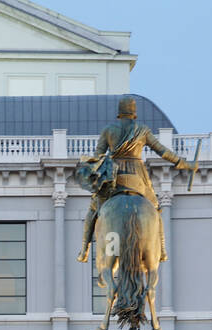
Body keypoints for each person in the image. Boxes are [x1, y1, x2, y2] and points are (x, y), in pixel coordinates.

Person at [76, 95, 197, 263]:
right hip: (137, 177)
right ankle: (161, 249)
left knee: (93, 209)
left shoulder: (109, 130)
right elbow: (162, 151)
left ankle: (84, 249)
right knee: (154, 209)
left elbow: (98, 156)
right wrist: (183, 163)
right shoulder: (143, 130)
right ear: (134, 113)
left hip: (114, 177)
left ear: (120, 113)